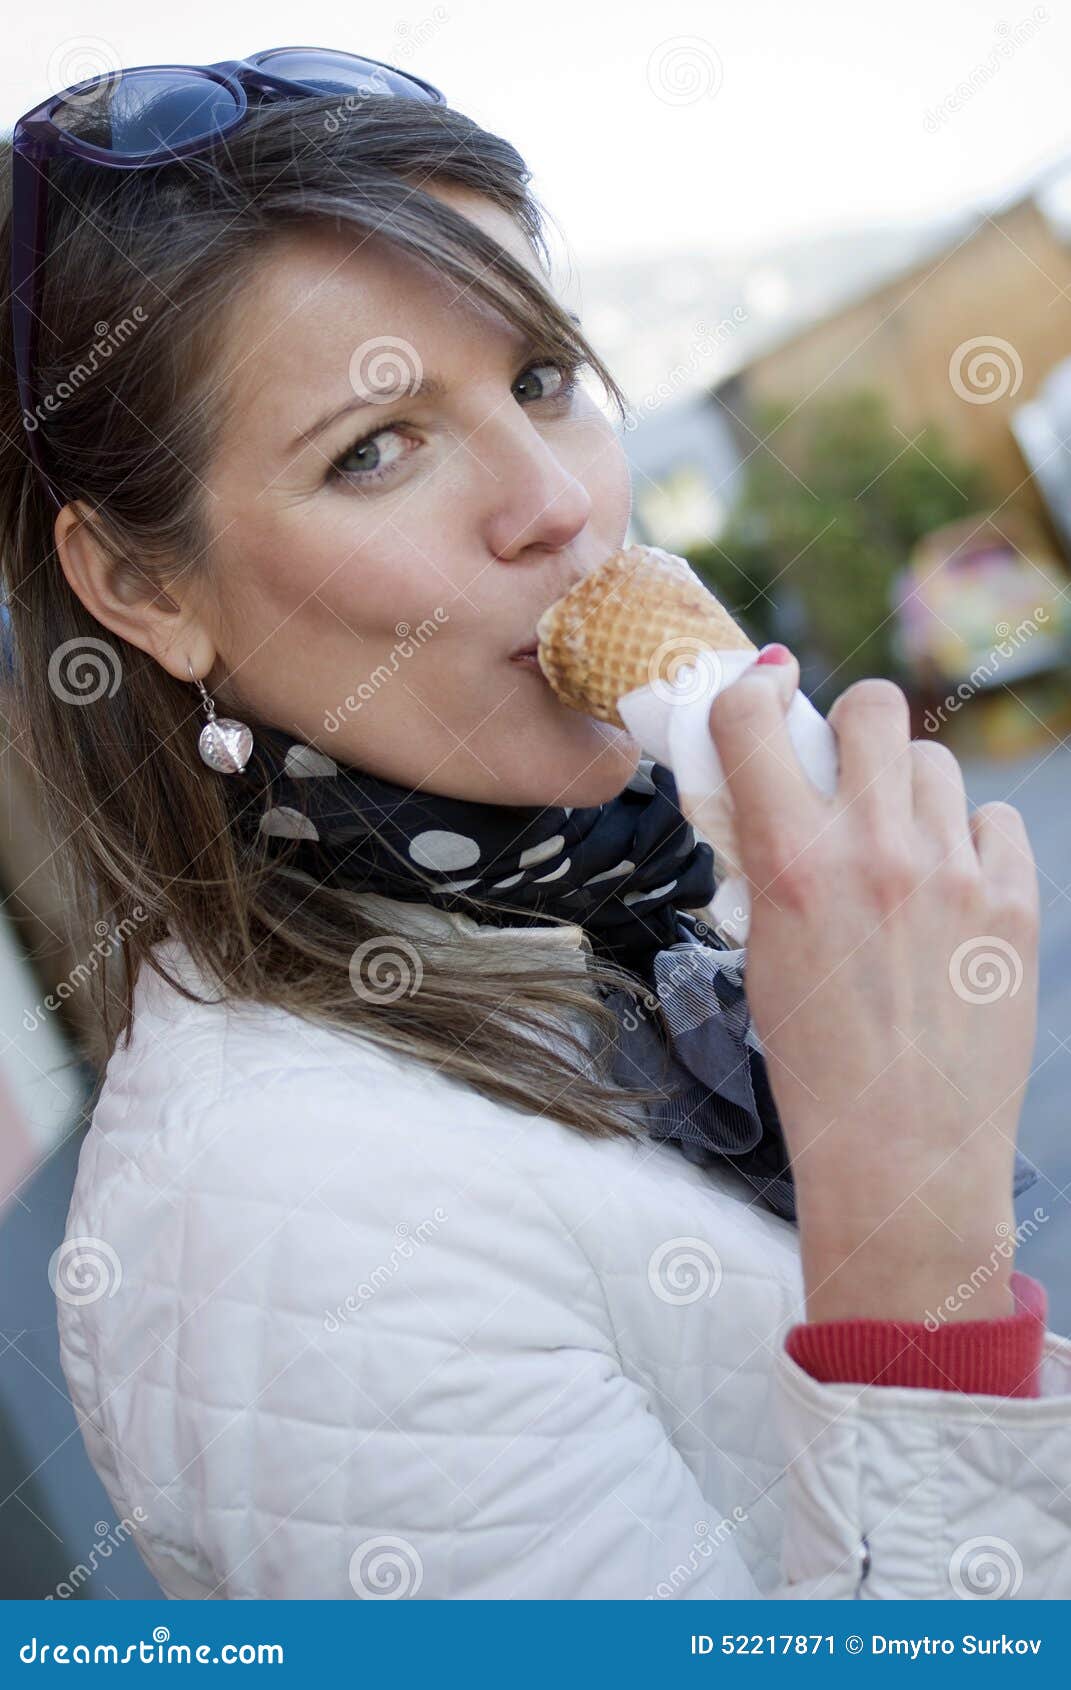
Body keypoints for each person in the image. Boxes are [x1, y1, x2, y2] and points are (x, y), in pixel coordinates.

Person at [2, 49, 1069, 1601]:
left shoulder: (620, 896)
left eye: (541, 379)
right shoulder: (267, 1225)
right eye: (375, 449)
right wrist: (916, 1238)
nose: (554, 504)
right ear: (144, 590)